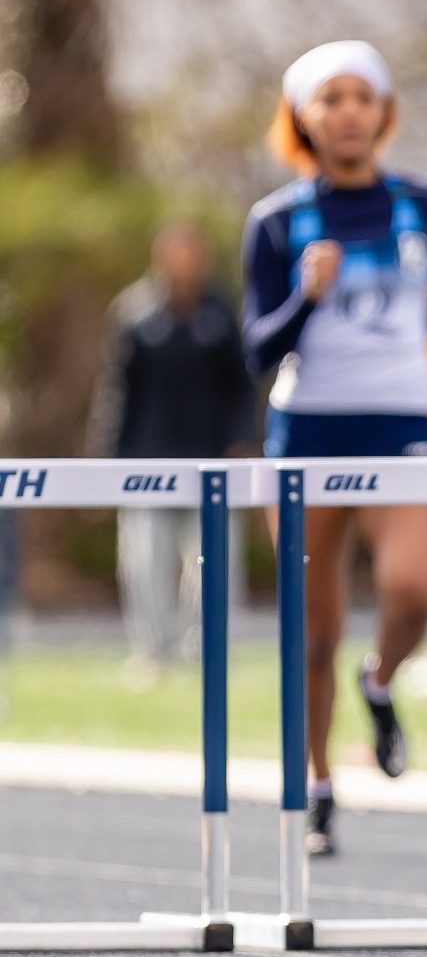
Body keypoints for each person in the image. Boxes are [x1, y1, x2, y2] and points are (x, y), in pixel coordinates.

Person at [242, 40, 427, 856]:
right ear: (302, 116)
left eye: (361, 96)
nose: (347, 111)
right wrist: (305, 296)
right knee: (312, 631)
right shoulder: (276, 221)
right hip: (307, 429)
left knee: (414, 588)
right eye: (329, 98)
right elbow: (257, 349)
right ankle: (315, 787)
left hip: (401, 422)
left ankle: (379, 683)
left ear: (384, 112)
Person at [86, 222, 254, 678]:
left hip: (211, 460)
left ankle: (208, 648)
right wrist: (107, 460)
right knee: (145, 563)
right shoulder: (135, 312)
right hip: (148, 458)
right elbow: (117, 391)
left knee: (214, 562)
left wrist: (240, 440)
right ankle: (152, 652)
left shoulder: (220, 311)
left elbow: (240, 386)